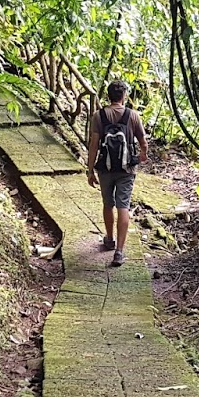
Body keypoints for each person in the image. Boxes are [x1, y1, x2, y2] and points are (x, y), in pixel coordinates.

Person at [86, 80, 148, 267]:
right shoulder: (133, 115)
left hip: (105, 168)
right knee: (123, 206)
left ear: (108, 96)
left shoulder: (98, 116)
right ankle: (119, 252)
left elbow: (93, 146)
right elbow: (143, 142)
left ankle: (110, 239)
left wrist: (90, 170)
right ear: (124, 96)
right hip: (126, 168)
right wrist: (142, 155)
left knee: (108, 203)